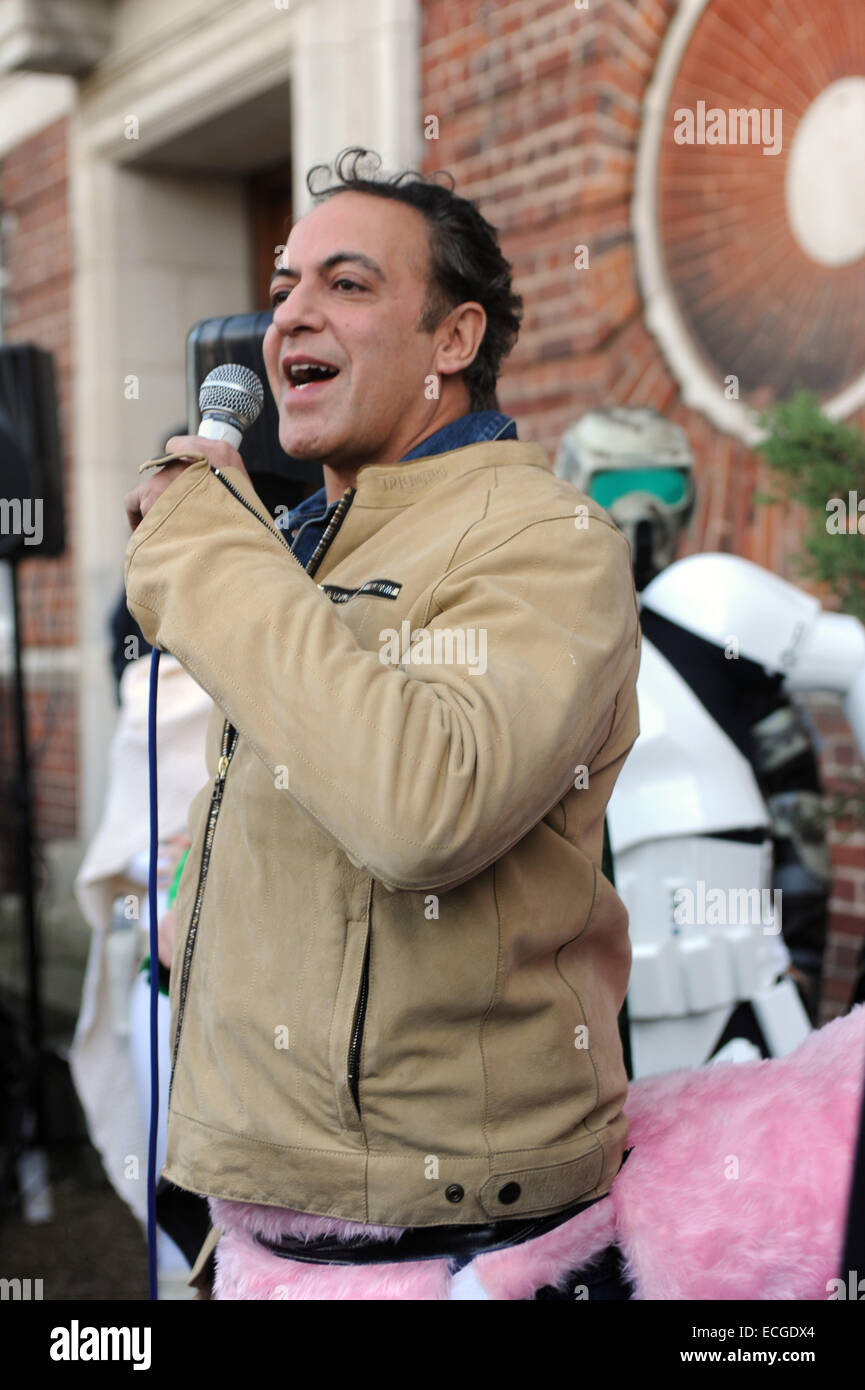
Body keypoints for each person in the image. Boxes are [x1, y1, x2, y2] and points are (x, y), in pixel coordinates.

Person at [122, 147, 641, 1299]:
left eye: (346, 286)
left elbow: (421, 810)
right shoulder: (302, 538)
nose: (291, 315)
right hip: (265, 1221)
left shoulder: (542, 538)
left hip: (455, 1246)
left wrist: (208, 546)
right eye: (283, 288)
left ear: (452, 342)